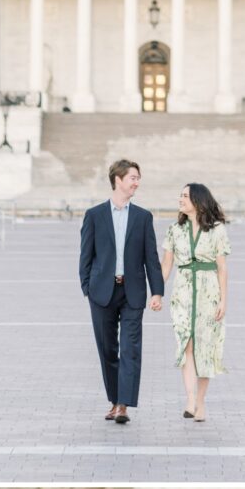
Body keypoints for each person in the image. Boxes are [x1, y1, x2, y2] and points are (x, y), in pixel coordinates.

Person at [78, 154, 165, 424]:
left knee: (130, 349)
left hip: (132, 293)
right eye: (133, 178)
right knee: (107, 349)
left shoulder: (142, 217)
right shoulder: (94, 215)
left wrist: (157, 291)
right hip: (102, 292)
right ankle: (114, 399)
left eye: (138, 178)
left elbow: (151, 256)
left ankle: (124, 405)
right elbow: (85, 255)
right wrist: (87, 288)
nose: (137, 183)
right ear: (118, 180)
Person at [162, 178, 229, 426]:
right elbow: (166, 265)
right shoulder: (174, 230)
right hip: (182, 291)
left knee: (205, 350)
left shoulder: (217, 230)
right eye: (180, 195)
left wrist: (224, 301)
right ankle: (190, 400)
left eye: (185, 196)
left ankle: (200, 402)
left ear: (198, 201)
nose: (180, 199)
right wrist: (156, 292)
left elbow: (222, 268)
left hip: (209, 291)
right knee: (186, 344)